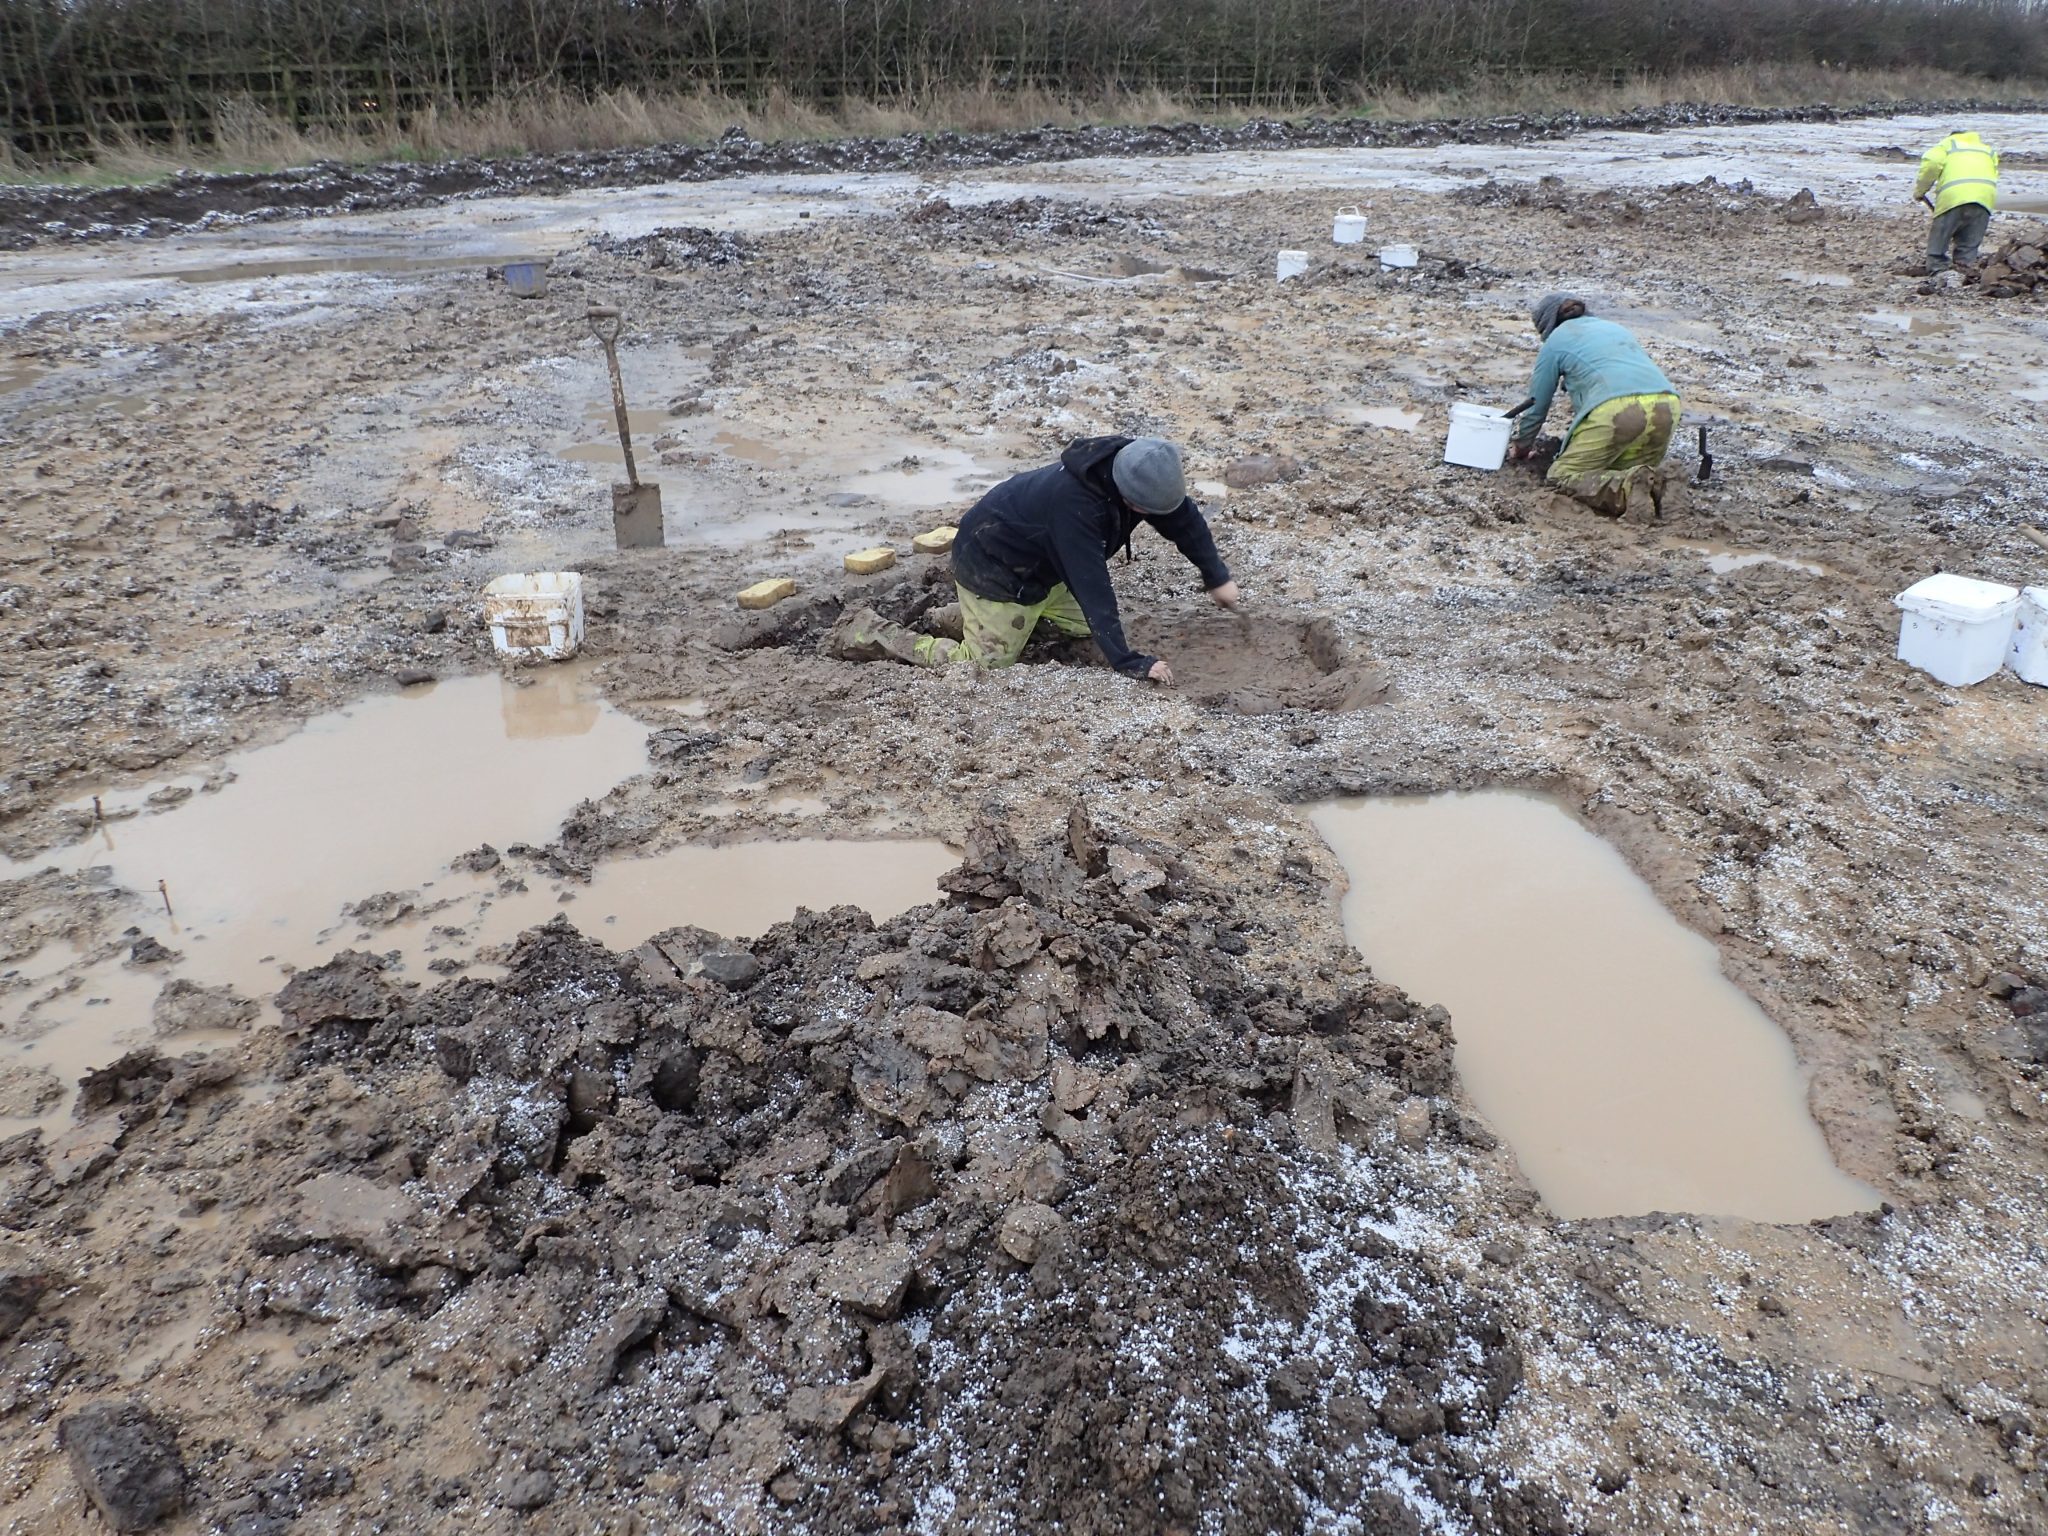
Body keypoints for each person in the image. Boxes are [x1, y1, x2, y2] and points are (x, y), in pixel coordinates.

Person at [827, 435, 1238, 683]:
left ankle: (963, 618)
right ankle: (868, 632)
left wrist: (1215, 575)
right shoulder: (1076, 507)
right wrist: (1128, 661)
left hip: (1043, 568)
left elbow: (1182, 517)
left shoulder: (1138, 464)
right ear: (1129, 496)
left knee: (1081, 629)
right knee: (988, 666)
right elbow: (1092, 585)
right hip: (995, 567)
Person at [1508, 293, 1681, 520]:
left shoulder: (1555, 341)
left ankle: (1626, 488)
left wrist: (1522, 446)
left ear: (1546, 326)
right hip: (1666, 405)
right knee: (1624, 471)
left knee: (1562, 476)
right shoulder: (1613, 328)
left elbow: (1536, 403)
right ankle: (1663, 485)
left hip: (1618, 411)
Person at [1914, 129, 2000, 274]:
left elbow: (1931, 164)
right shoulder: (1987, 150)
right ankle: (1964, 270)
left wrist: (1920, 191)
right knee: (1968, 245)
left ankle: (1937, 270)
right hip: (1984, 198)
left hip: (1953, 197)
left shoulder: (1947, 146)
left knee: (1940, 239)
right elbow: (1994, 173)